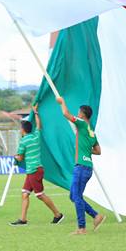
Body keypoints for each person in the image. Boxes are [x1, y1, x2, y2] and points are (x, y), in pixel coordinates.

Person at [55, 96, 105, 235]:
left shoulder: (82, 123)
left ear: (83, 114)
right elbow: (98, 151)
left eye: (78, 112)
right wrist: (85, 149)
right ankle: (96, 215)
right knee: (74, 196)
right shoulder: (91, 131)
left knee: (76, 196)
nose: (77, 114)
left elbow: (66, 114)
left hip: (81, 167)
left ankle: (81, 228)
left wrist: (62, 102)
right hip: (87, 166)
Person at [10, 105, 64, 226]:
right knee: (25, 193)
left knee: (40, 195)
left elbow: (20, 157)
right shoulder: (35, 136)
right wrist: (36, 114)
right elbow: (39, 126)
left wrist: (15, 157)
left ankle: (58, 214)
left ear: (23, 130)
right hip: (34, 170)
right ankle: (23, 219)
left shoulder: (23, 141)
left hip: (34, 170)